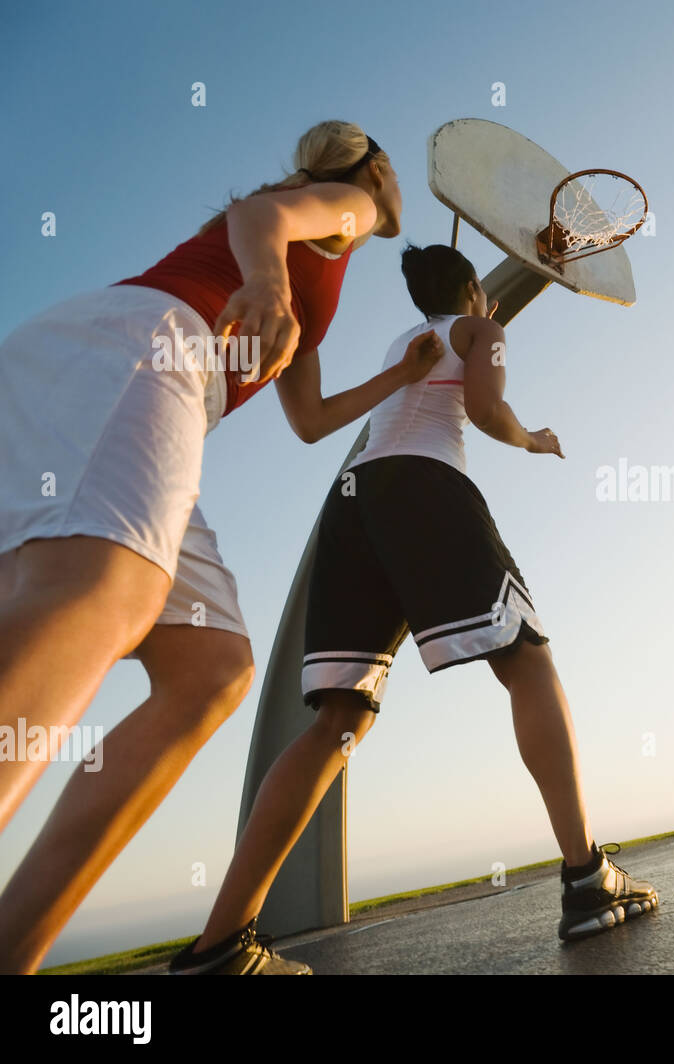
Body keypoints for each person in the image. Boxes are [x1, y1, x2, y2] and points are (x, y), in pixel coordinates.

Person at [0, 120, 443, 974]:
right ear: (378, 172)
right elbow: (258, 216)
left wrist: (400, 376)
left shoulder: (321, 274)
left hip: (126, 382)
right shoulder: (342, 211)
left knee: (212, 669)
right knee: (96, 598)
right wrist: (269, 282)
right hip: (141, 353)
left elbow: (309, 422)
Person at [168, 244, 658, 974]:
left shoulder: (408, 343)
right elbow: (487, 410)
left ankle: (222, 944)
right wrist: (532, 438)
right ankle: (588, 876)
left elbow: (349, 417)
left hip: (352, 507)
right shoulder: (480, 330)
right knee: (527, 660)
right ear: (471, 290)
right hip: (425, 489)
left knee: (338, 719)